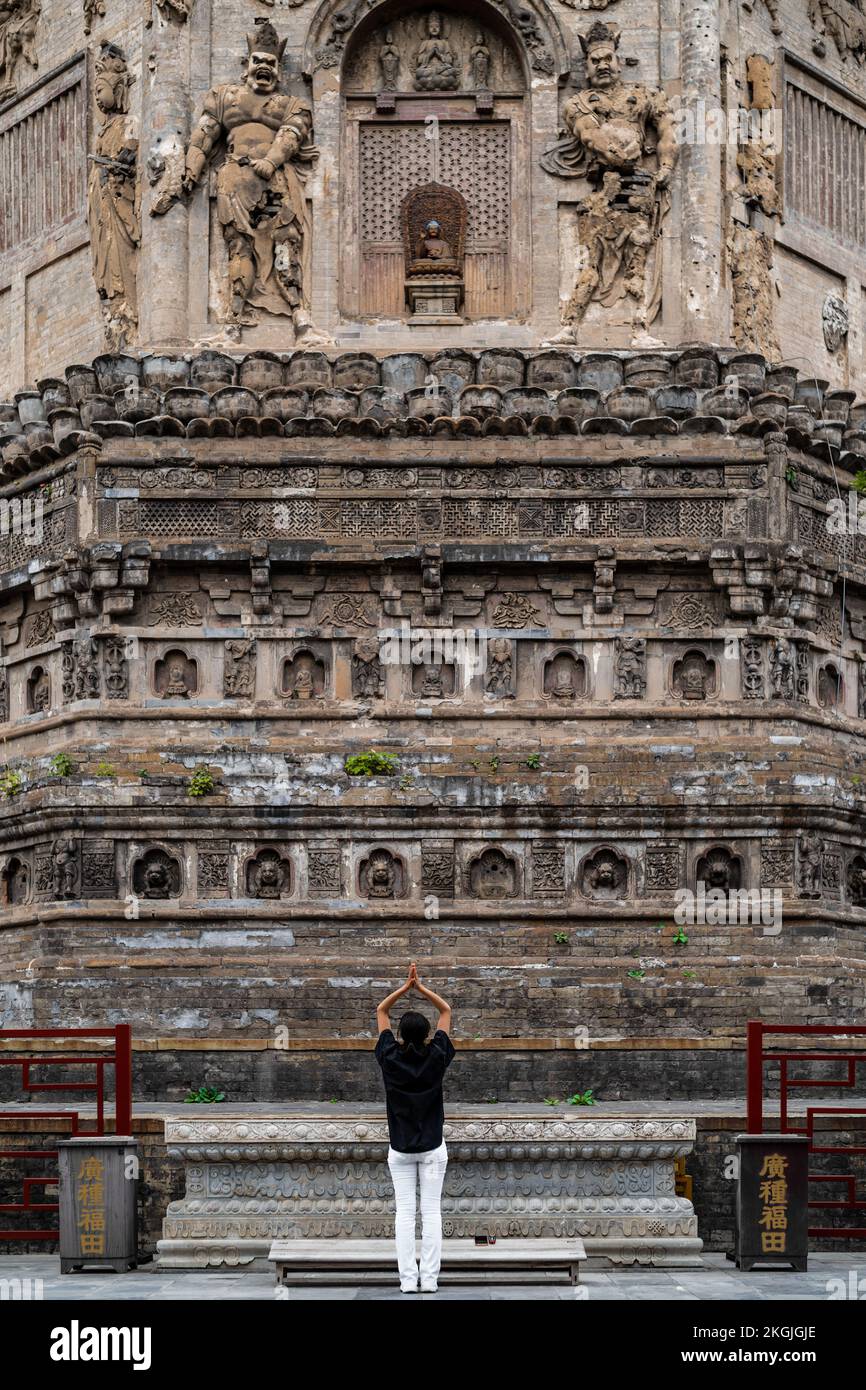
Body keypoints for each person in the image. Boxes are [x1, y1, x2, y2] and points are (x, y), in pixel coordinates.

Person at [375, 962, 454, 1293]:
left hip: (401, 1149)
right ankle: (430, 1280)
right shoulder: (436, 1055)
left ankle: (409, 1281)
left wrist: (404, 989)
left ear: (398, 1035)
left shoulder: (389, 1056)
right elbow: (446, 1010)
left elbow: (381, 1010)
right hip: (433, 1148)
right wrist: (421, 989)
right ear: (427, 1034)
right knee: (431, 1213)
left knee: (405, 1216)